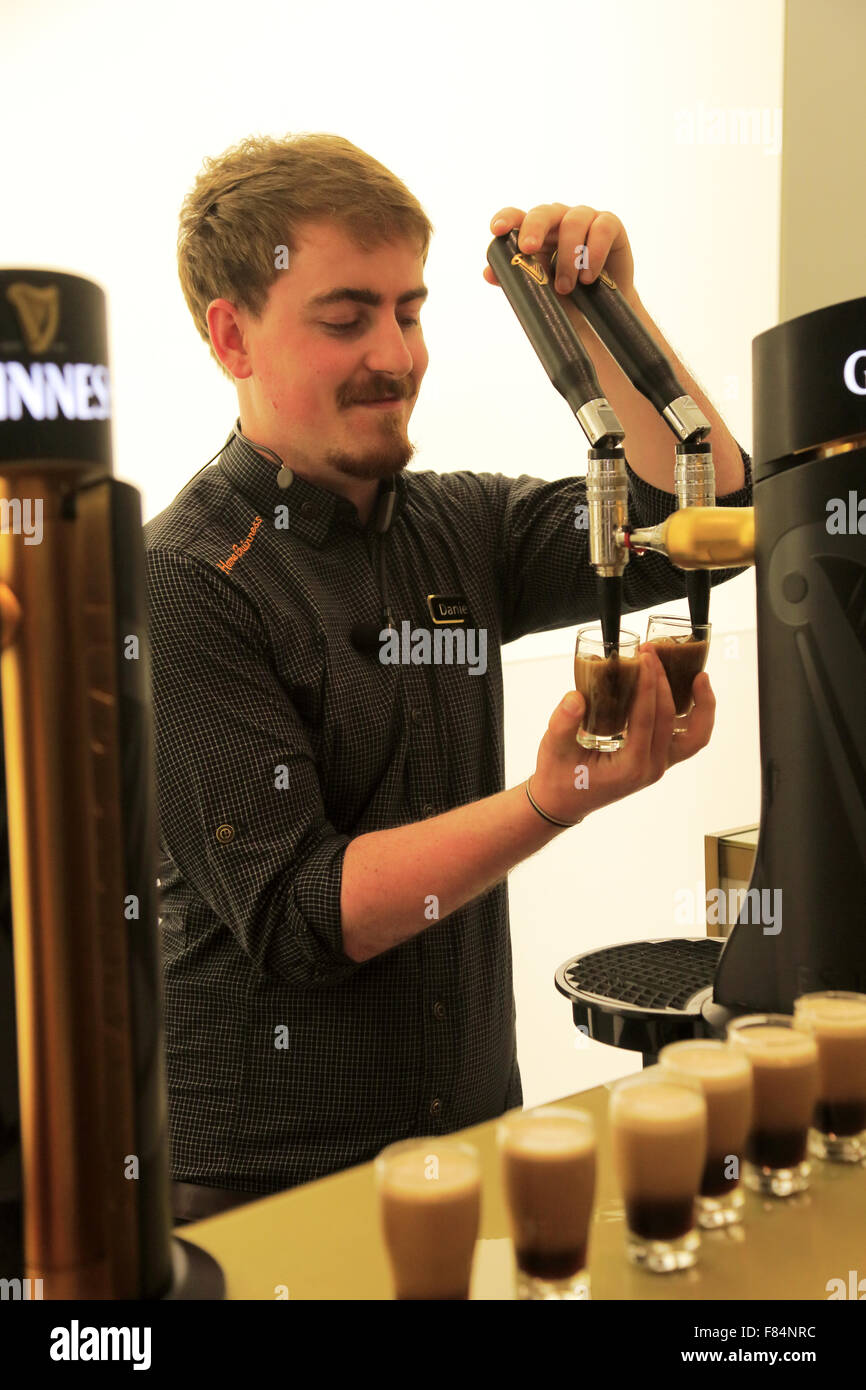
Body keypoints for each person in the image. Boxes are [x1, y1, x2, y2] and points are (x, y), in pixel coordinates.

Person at [143, 133, 752, 1224]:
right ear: (230, 334)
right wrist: (544, 805)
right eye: (346, 317)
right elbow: (301, 912)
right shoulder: (186, 581)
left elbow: (693, 520)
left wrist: (610, 312)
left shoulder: (460, 525)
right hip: (268, 1196)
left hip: (472, 1146)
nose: (396, 355)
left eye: (409, 311)